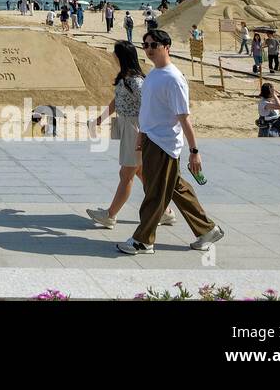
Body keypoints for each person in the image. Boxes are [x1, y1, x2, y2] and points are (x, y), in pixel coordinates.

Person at [116, 29, 223, 256]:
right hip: (151, 138)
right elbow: (149, 110)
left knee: (155, 193)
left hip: (164, 143)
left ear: (167, 47)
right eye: (145, 45)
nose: (149, 49)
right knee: (176, 188)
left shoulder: (174, 78)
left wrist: (194, 150)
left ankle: (143, 241)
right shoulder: (155, 74)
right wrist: (141, 134)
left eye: (153, 45)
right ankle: (207, 230)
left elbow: (184, 117)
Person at [86, 42, 175, 230]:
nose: (113, 55)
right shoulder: (125, 78)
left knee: (126, 174)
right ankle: (165, 212)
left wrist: (142, 135)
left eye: (115, 53)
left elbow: (149, 106)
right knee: (140, 172)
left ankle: (110, 215)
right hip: (128, 125)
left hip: (136, 128)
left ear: (122, 56)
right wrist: (99, 120)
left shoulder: (136, 81)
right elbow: (116, 101)